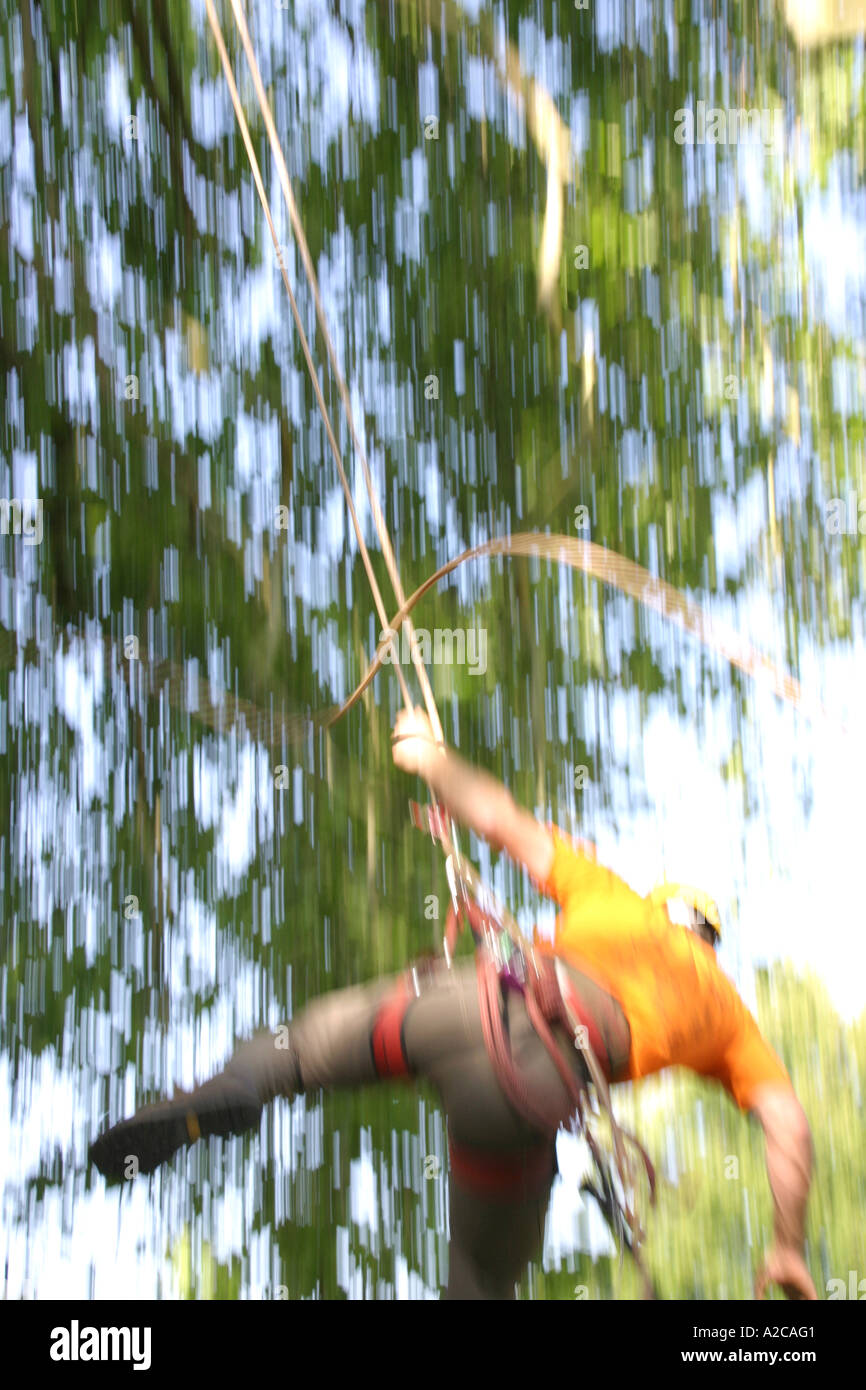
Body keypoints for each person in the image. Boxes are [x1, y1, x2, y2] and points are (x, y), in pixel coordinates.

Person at [89, 708, 817, 1301]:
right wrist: (786, 1247)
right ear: (712, 944)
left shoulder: (614, 898)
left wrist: (432, 758)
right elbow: (787, 1126)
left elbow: (499, 818)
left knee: (296, 1049)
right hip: (533, 1095)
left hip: (474, 1004)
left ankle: (232, 1089)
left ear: (662, 909)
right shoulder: (729, 1017)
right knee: (479, 1280)